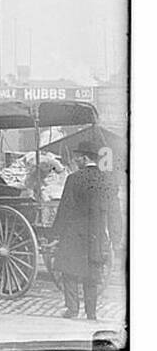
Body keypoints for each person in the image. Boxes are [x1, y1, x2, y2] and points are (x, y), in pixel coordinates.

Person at [51, 137, 121, 320]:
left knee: (69, 272)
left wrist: (55, 234)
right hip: (97, 234)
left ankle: (72, 310)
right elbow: (115, 212)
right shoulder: (108, 180)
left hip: (74, 233)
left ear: (83, 158)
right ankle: (91, 313)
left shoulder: (74, 179)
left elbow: (65, 208)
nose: (76, 161)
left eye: (78, 158)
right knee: (92, 275)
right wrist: (116, 238)